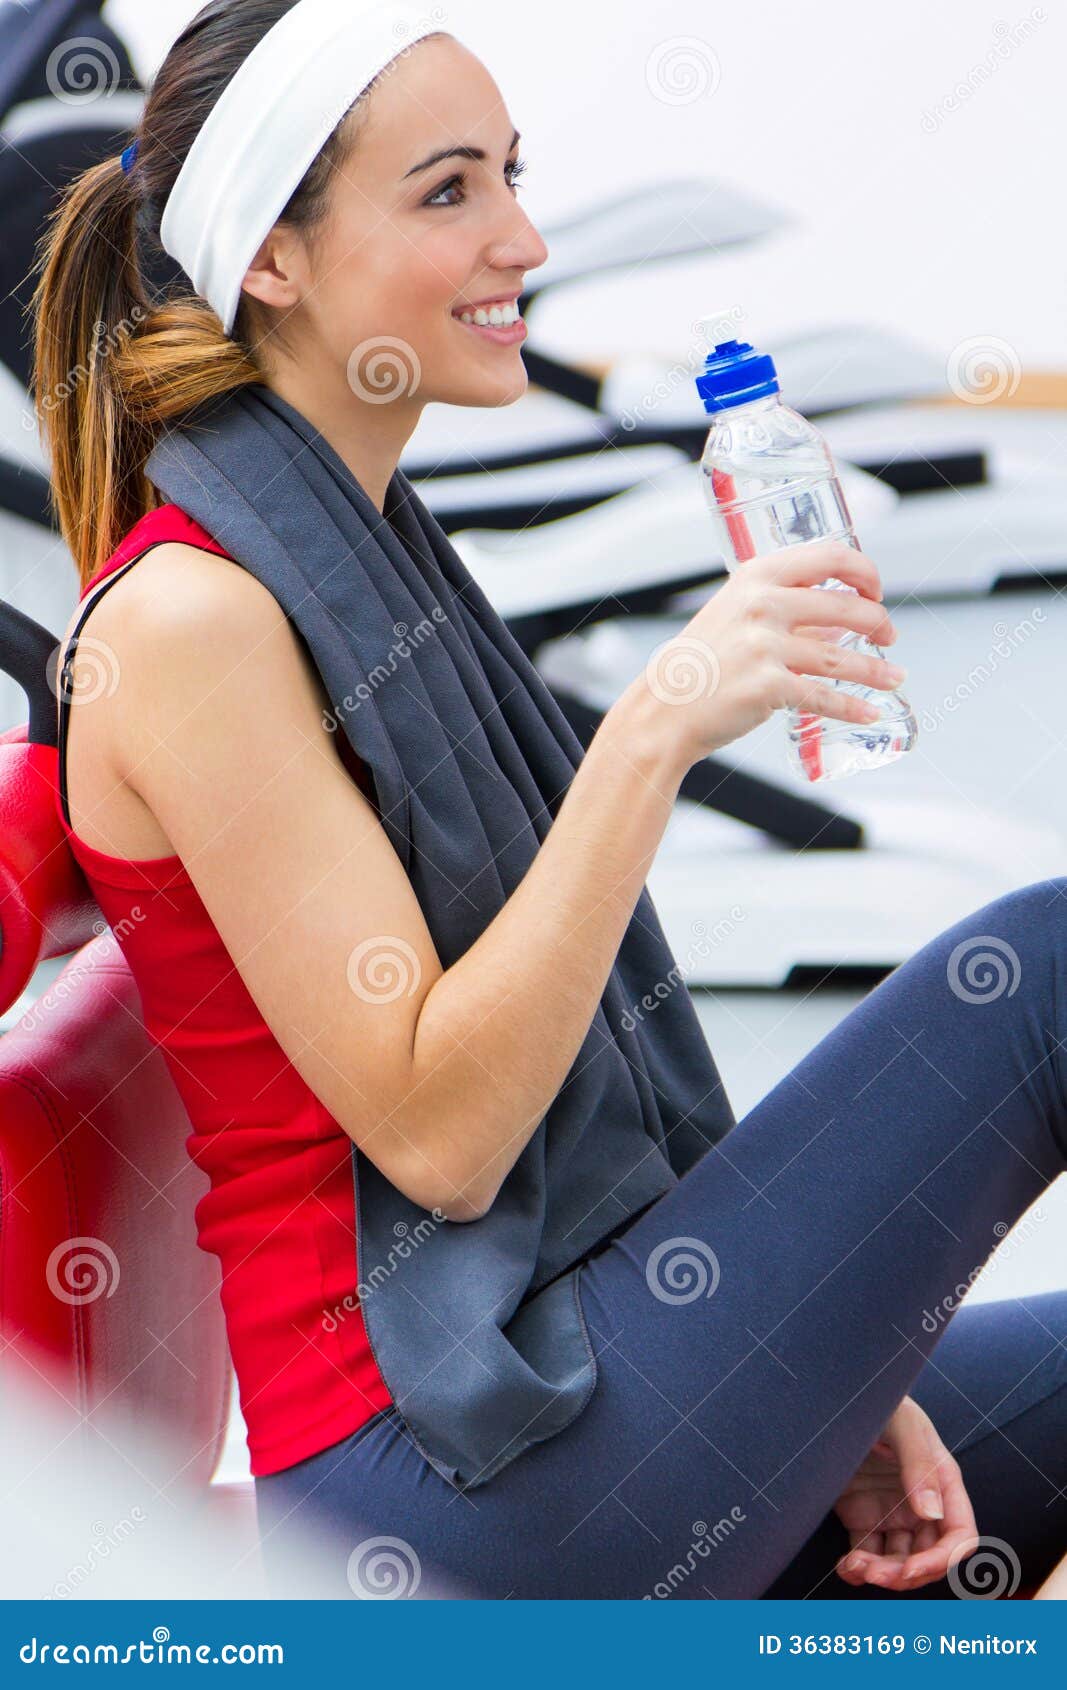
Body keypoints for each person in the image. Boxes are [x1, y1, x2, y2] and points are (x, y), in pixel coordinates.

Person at [29, 0, 1067, 1600]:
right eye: (447, 191)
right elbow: (442, 1136)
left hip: (574, 1389)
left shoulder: (362, 542)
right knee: (1041, 980)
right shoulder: (192, 623)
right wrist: (654, 727)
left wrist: (830, 1365)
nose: (521, 232)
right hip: (442, 1480)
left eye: (512, 173)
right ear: (276, 259)